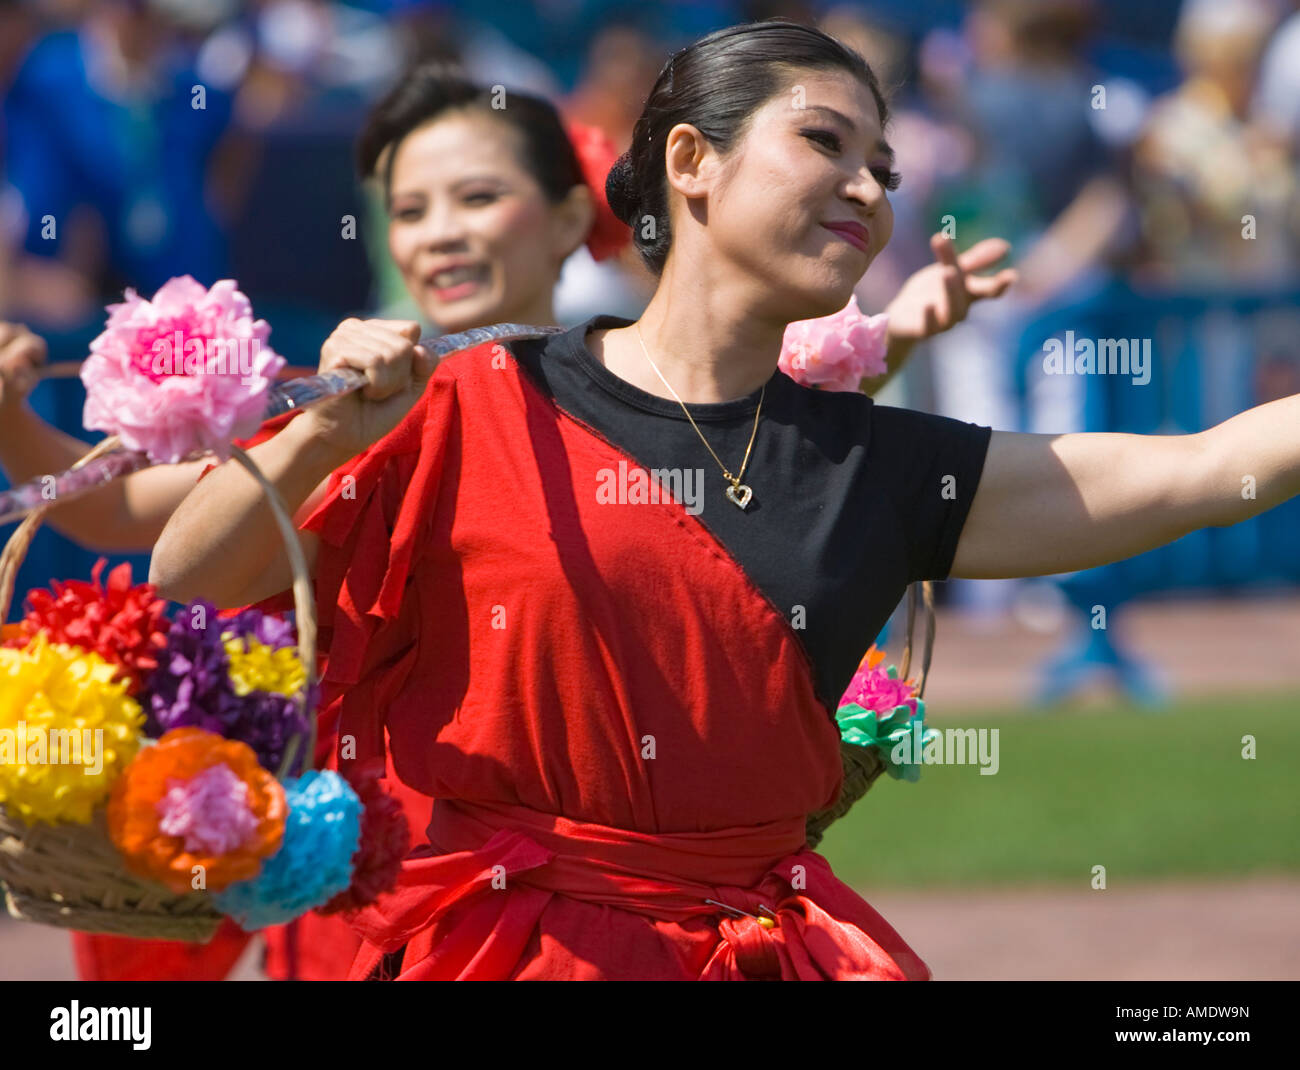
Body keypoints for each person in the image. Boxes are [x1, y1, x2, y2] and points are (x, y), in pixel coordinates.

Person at [146, 20, 1300, 981]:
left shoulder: (886, 466)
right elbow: (191, 579)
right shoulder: (472, 395)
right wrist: (321, 436)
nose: (868, 188)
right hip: (504, 954)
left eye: (884, 170)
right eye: (825, 142)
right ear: (690, 160)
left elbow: (1202, 469)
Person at [6, 55, 1012, 979]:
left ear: (574, 217)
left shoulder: (647, 376)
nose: (436, 230)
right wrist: (14, 425)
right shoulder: (374, 395)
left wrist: (892, 333)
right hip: (361, 836)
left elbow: (792, 453)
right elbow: (148, 521)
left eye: (476, 196)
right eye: (406, 208)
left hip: (564, 871)